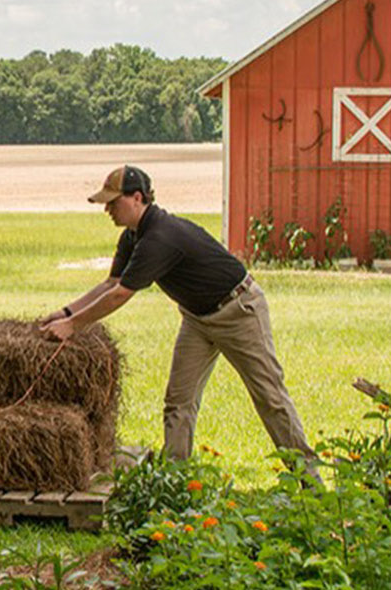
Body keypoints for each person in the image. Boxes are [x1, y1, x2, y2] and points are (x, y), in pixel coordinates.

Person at [38, 166, 316, 468]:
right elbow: (110, 284)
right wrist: (67, 312)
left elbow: (121, 295)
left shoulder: (160, 237)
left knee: (270, 398)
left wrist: (73, 325)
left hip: (239, 311)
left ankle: (310, 486)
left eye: (112, 202)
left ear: (137, 198)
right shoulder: (133, 237)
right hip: (197, 318)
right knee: (178, 402)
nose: (107, 209)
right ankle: (175, 480)